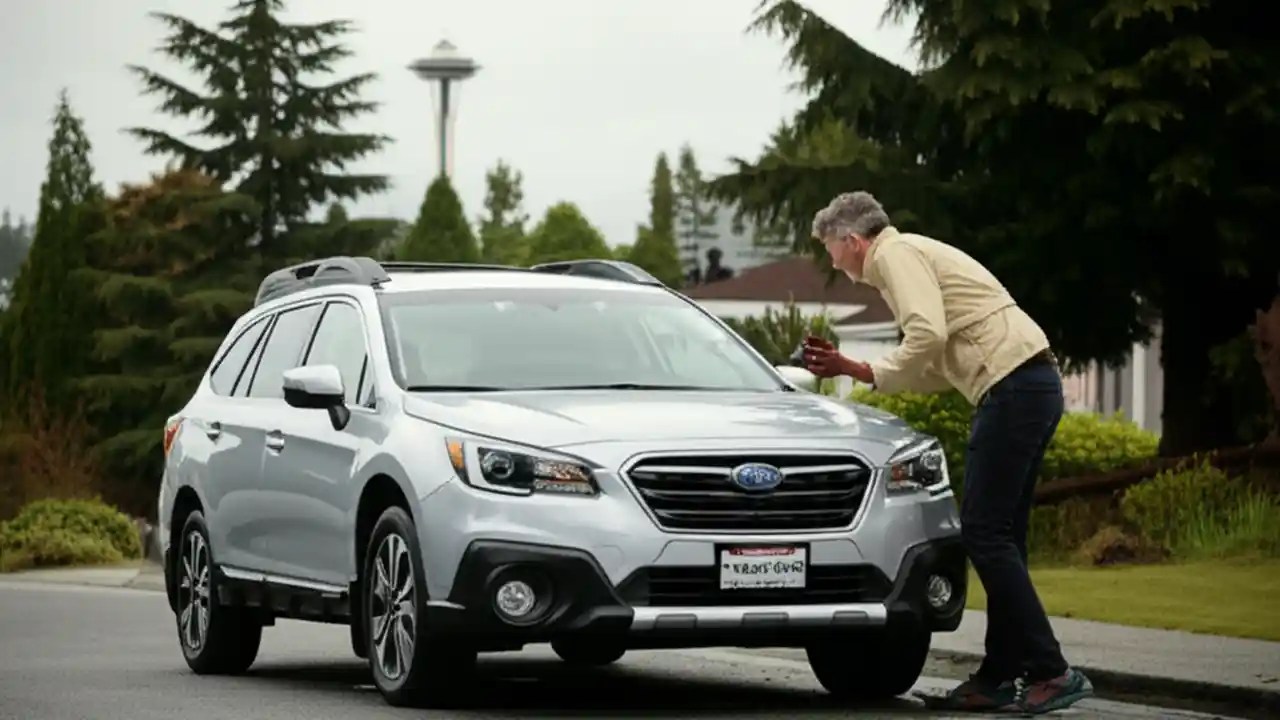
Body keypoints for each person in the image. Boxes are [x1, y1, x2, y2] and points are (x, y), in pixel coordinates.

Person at [801, 191, 1093, 714]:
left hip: (1013, 385)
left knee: (982, 531)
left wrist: (861, 370)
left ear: (852, 240)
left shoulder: (893, 254)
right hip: (1029, 381)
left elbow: (927, 336)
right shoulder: (908, 255)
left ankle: (1052, 670)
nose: (832, 261)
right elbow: (933, 362)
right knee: (1003, 537)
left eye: (830, 249)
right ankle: (1001, 675)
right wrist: (856, 369)